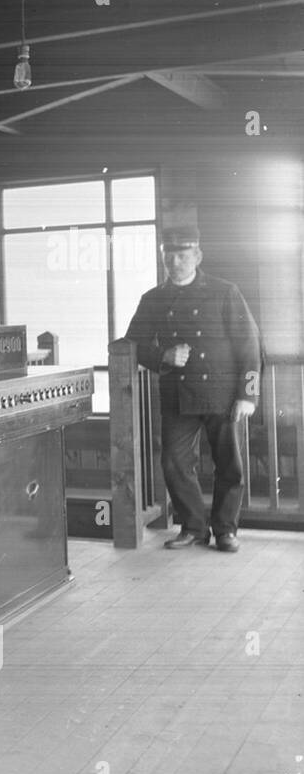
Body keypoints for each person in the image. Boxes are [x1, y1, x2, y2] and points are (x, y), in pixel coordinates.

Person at [123, 224, 262, 552]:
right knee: (172, 461)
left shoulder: (224, 291)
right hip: (177, 395)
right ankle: (193, 527)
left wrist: (248, 394)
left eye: (182, 255)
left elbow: (250, 344)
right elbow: (130, 344)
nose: (175, 262)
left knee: (229, 464)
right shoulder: (153, 299)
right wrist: (162, 355)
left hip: (223, 393)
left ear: (197, 255)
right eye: (169, 255)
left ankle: (226, 530)